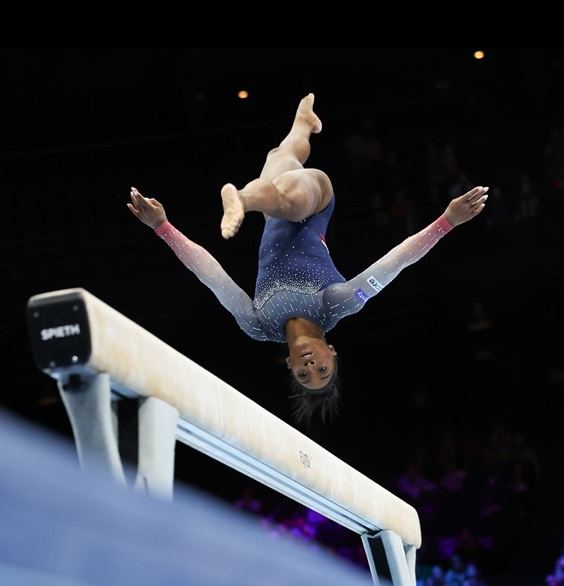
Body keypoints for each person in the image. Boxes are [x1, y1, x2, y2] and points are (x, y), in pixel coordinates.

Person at [125, 93, 488, 426]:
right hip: (315, 203)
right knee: (286, 198)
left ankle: (303, 125)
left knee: (281, 157)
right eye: (322, 370)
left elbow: (212, 277)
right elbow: (395, 262)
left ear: (289, 365)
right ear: (333, 353)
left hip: (273, 211)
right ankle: (240, 199)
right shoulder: (337, 305)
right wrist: (447, 222)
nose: (310, 366)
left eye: (302, 375)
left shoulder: (258, 326)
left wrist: (163, 227)